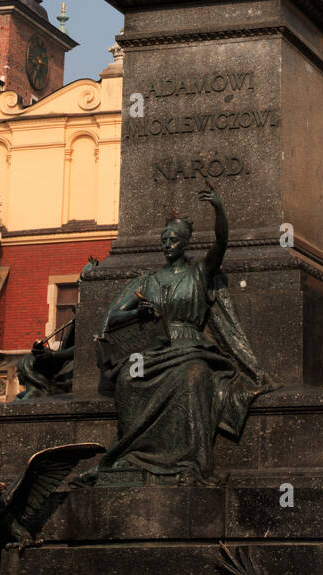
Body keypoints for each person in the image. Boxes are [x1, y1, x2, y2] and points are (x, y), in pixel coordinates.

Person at [80, 189, 271, 485]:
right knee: (129, 377)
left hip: (191, 348)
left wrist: (220, 211)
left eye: (173, 241)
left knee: (193, 377)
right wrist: (137, 314)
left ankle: (189, 463)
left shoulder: (199, 273)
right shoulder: (148, 281)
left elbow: (221, 244)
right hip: (155, 349)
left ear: (184, 244)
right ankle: (134, 455)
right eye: (164, 240)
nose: (167, 245)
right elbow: (111, 319)